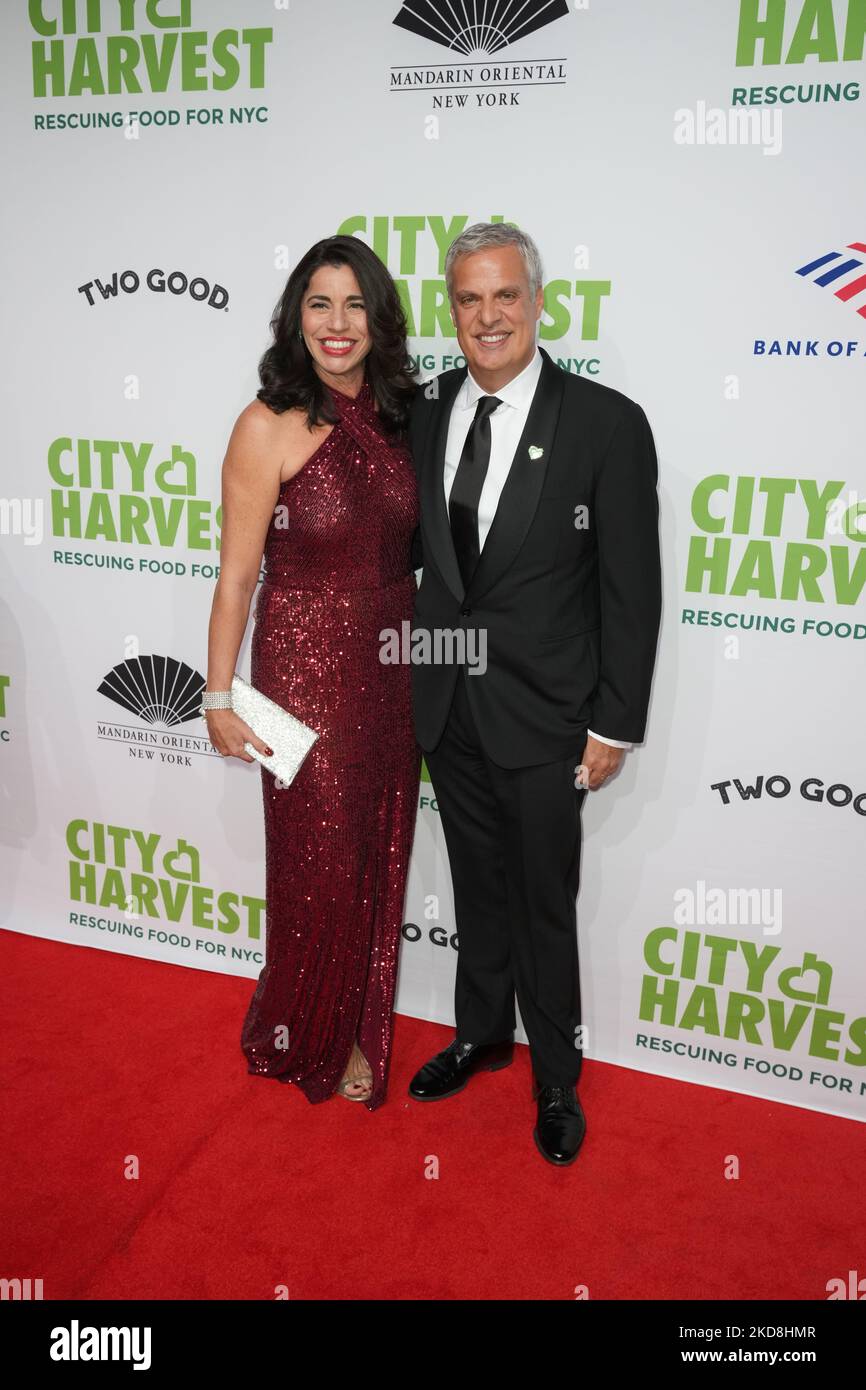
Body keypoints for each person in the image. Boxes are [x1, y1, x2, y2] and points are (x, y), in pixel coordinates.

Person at [406, 222, 661, 1163]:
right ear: (453, 309)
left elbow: (632, 592)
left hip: (551, 719)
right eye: (469, 299)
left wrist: (615, 722)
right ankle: (481, 1034)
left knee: (545, 902)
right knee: (477, 887)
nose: (487, 316)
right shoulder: (425, 409)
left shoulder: (605, 423)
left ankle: (559, 1076)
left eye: (504, 295)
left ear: (539, 302)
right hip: (447, 707)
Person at [202, 235, 420, 1108]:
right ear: (296, 316)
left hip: (394, 661)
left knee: (378, 846)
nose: (338, 324)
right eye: (320, 304)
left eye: (356, 304)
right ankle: (312, 1031)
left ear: (379, 319)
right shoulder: (267, 424)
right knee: (317, 859)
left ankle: (359, 1021)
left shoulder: (404, 415)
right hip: (301, 667)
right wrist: (217, 696)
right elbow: (237, 574)